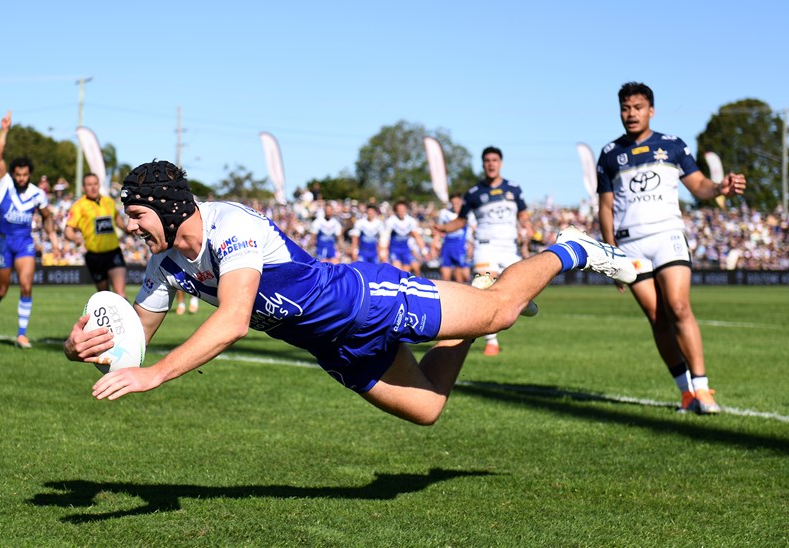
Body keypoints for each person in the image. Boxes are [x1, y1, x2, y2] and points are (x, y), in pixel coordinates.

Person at [64, 160, 636, 425]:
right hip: (332, 348)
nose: (132, 227)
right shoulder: (166, 263)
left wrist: (155, 374)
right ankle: (480, 298)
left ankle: (574, 249)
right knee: (428, 408)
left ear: (166, 205)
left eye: (136, 214)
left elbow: (235, 319)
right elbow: (133, 334)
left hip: (366, 299)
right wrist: (85, 345)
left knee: (503, 313)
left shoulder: (229, 225)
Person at [596, 82, 747, 414]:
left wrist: (720, 186)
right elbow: (605, 207)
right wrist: (610, 255)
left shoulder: (673, 146)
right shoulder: (609, 154)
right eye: (625, 108)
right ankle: (686, 393)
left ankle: (704, 390)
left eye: (637, 107)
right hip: (630, 245)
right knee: (657, 317)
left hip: (667, 235)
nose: (631, 114)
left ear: (651, 110)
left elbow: (699, 186)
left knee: (678, 307)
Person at [433, 146, 536, 356]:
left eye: (495, 160)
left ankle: (520, 302)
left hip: (509, 247)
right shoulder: (473, 193)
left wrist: (528, 228)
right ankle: (491, 341)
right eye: (487, 160)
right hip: (485, 246)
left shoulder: (514, 189)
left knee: (520, 288)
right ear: (483, 164)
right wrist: (442, 228)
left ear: (501, 163)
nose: (491, 164)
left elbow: (523, 215)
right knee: (482, 288)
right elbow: (460, 221)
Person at [0, 110, 61, 348]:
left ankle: (21, 333)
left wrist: (54, 242)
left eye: (24, 174)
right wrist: (4, 130)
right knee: (3, 289)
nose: (20, 178)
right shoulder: (4, 184)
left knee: (27, 285)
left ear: (30, 174)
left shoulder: (38, 194)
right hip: (4, 242)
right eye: (17, 174)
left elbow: (47, 218)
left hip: (25, 242)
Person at [64, 173, 129, 297]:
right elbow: (68, 230)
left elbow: (116, 219)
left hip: (113, 252)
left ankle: (128, 315)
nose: (93, 187)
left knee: (120, 293)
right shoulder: (78, 206)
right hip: (94, 256)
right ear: (84, 187)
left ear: (99, 185)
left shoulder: (108, 201)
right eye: (89, 185)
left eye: (95, 184)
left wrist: (127, 230)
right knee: (104, 296)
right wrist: (74, 238)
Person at [431, 193, 472, 283]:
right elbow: (439, 231)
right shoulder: (444, 213)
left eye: (457, 202)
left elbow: (473, 230)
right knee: (445, 278)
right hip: (447, 247)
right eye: (453, 203)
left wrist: (471, 246)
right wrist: (433, 246)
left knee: (463, 278)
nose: (455, 205)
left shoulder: (468, 214)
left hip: (460, 247)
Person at [385, 200, 427, 277]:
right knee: (397, 271)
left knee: (405, 274)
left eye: (403, 210)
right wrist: (384, 251)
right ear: (396, 210)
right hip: (394, 249)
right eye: (399, 210)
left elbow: (417, 236)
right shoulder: (391, 221)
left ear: (406, 210)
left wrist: (424, 251)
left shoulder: (411, 221)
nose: (401, 212)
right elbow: (386, 237)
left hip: (405, 249)